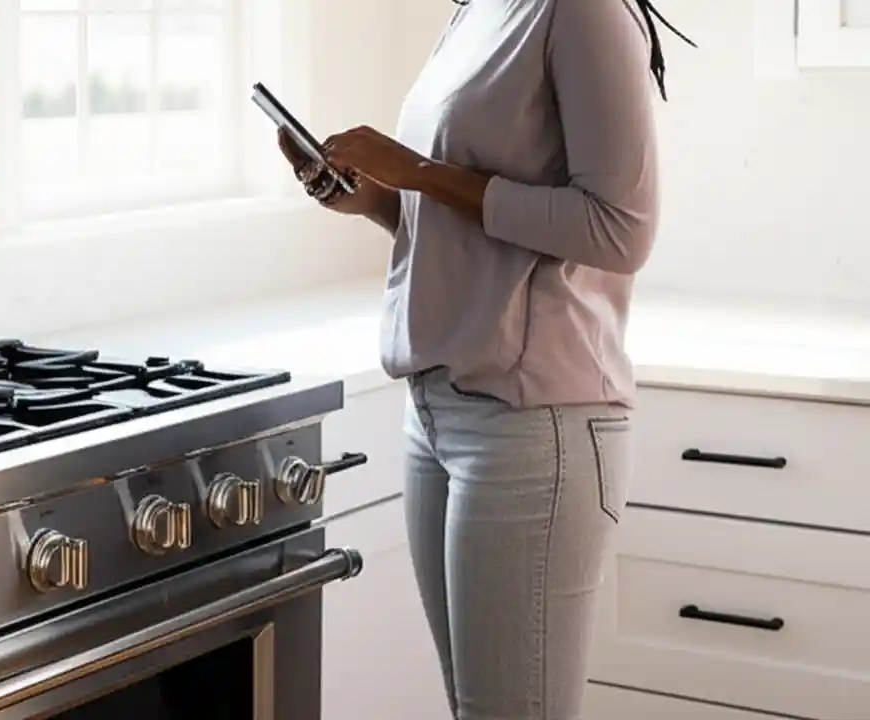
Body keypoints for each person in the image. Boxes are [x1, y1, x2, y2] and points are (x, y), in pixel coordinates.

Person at [277, 1, 692, 718]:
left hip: (534, 427)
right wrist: (376, 198)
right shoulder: (479, 11)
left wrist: (419, 172)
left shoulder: (580, 11)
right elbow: (460, 222)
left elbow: (619, 230)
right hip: (437, 414)